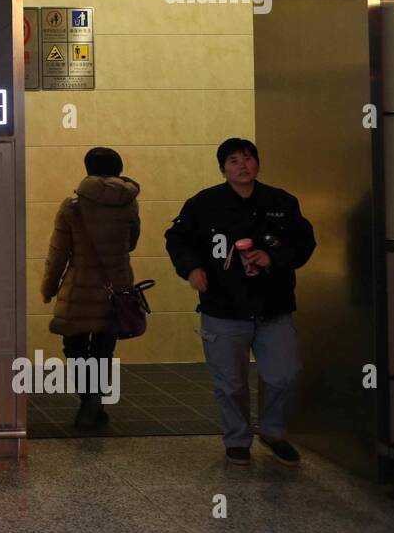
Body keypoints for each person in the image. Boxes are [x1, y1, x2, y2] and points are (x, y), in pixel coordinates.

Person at [165, 138, 315, 466]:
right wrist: (192, 269)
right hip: (223, 308)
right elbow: (177, 239)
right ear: (223, 168)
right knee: (230, 382)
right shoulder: (204, 204)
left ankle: (273, 431)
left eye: (248, 159)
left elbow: (304, 243)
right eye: (233, 161)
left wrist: (273, 257)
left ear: (257, 164)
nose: (242, 166)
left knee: (285, 374)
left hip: (273, 307)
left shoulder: (282, 202)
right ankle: (237, 438)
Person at [41, 147, 141, 430]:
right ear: (119, 168)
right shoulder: (130, 205)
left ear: (87, 169)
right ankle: (96, 400)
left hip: (80, 288)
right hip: (116, 288)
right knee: (103, 348)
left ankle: (89, 398)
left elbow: (59, 252)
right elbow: (131, 243)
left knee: (74, 346)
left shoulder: (72, 206)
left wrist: (48, 287)